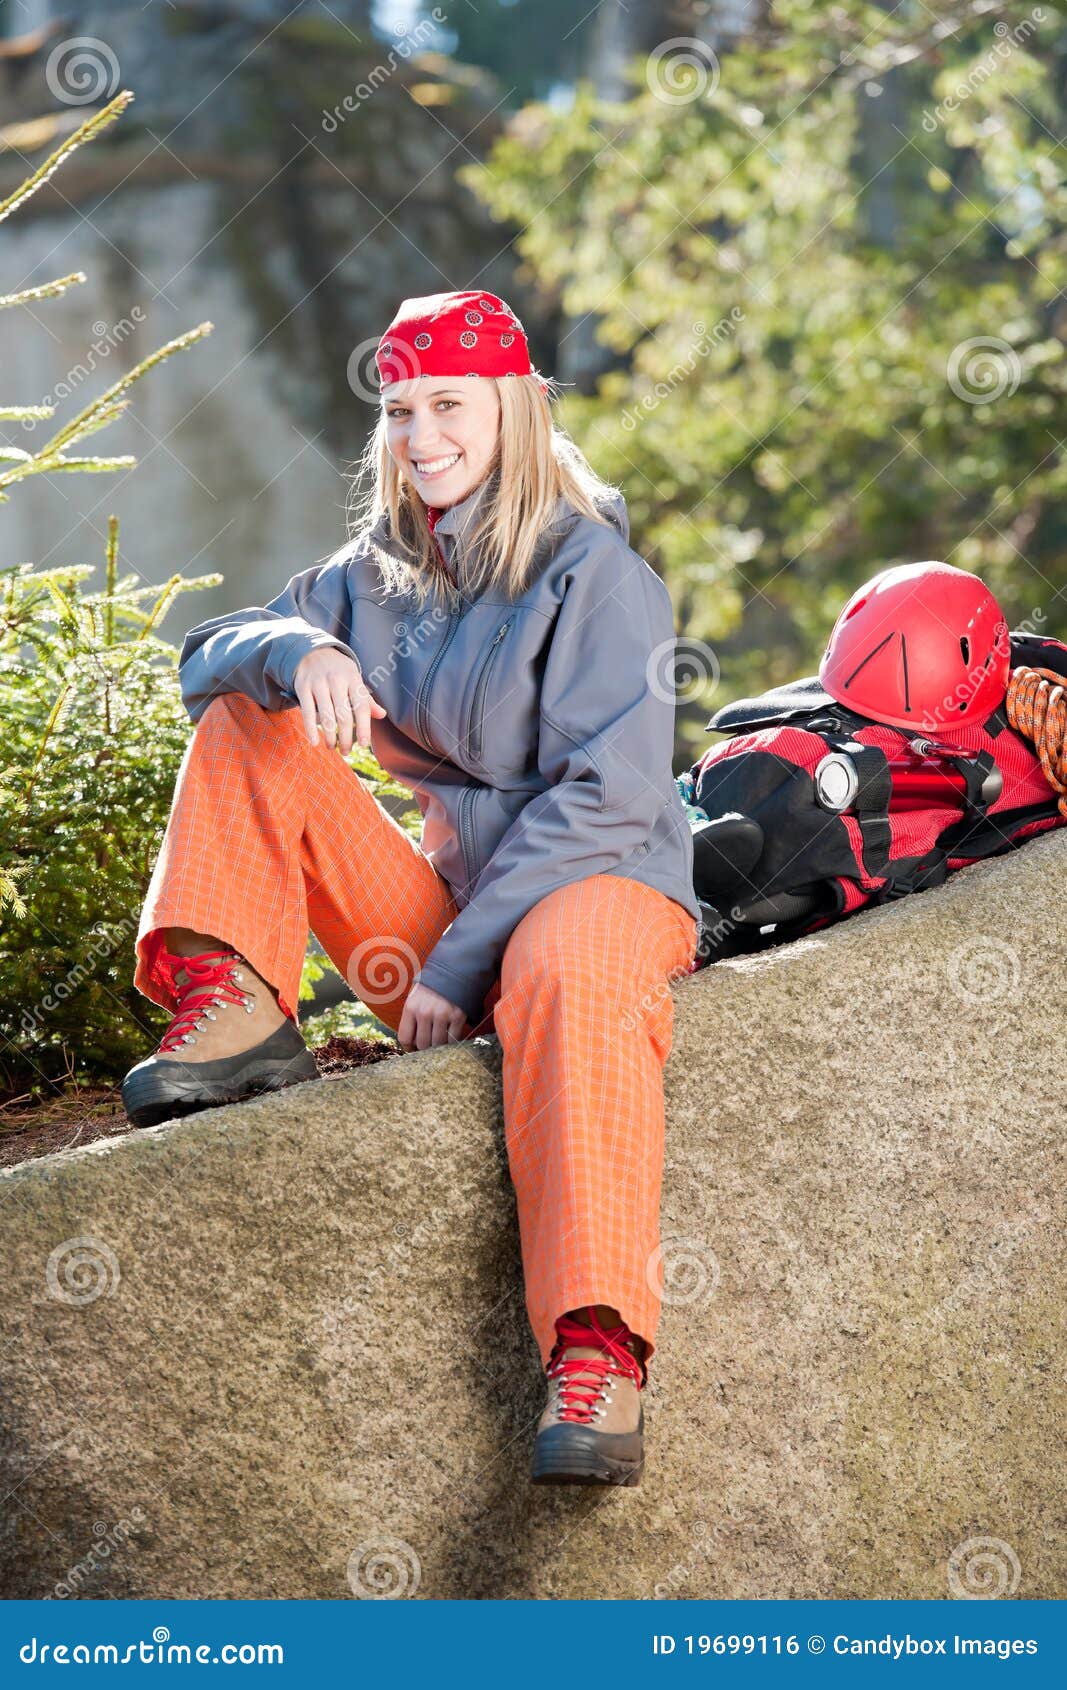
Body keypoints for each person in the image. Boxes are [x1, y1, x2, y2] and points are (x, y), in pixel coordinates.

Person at [121, 289, 701, 1487]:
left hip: (597, 897)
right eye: (398, 410)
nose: (421, 435)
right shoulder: (374, 571)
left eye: (448, 404)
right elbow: (204, 656)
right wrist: (299, 648)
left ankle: (596, 1357)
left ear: (511, 411)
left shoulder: (597, 574)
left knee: (565, 959)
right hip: (453, 931)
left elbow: (608, 799)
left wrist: (451, 965)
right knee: (250, 713)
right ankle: (235, 1007)